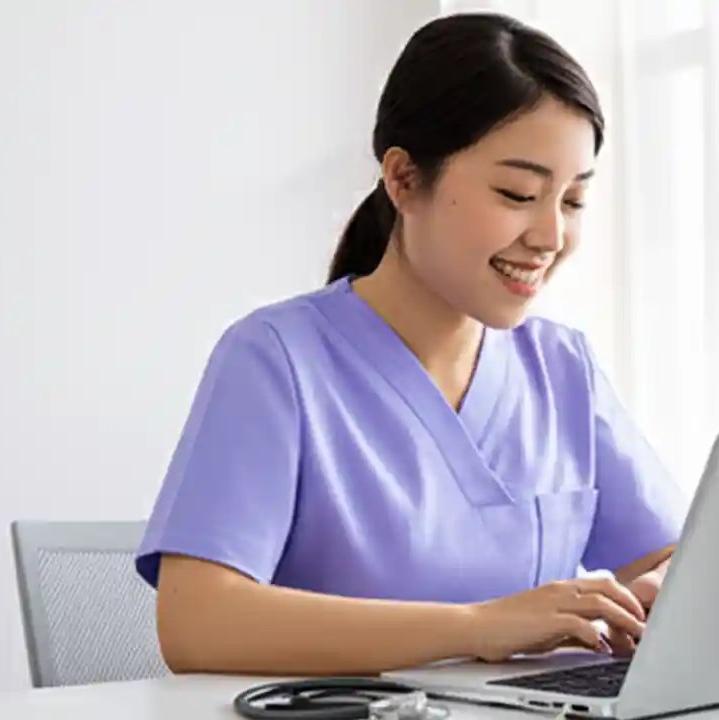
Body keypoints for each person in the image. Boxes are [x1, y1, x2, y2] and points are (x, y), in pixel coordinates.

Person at [135, 11, 685, 677]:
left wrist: (659, 601)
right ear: (403, 180)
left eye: (571, 202)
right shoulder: (277, 359)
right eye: (518, 193)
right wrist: (479, 627)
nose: (550, 236)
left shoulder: (562, 367)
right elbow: (198, 623)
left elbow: (671, 556)